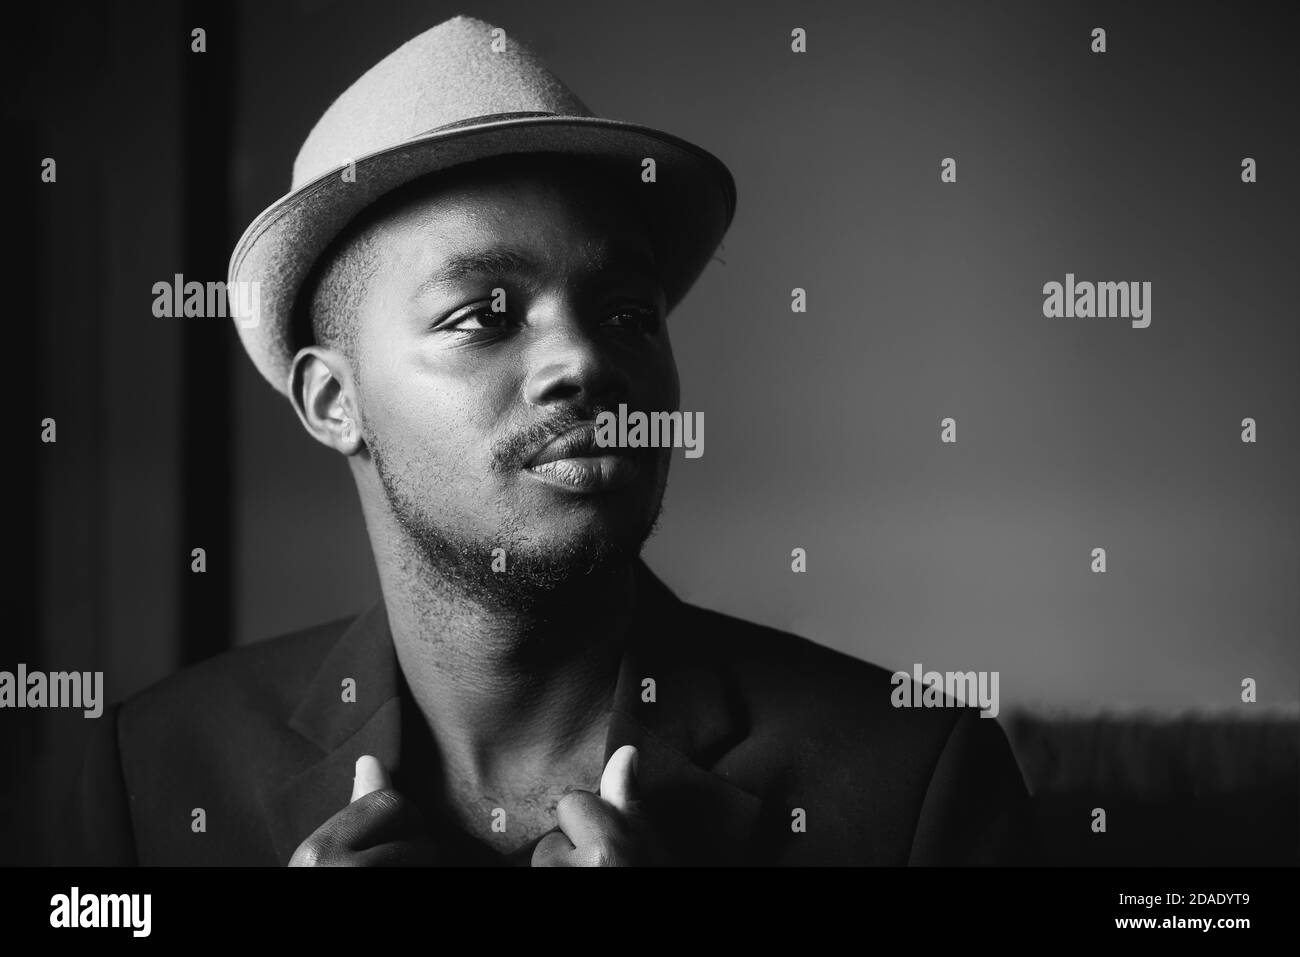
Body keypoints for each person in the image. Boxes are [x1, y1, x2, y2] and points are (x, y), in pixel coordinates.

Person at [69, 16, 1038, 867]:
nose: (584, 360)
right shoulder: (148, 776)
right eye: (482, 316)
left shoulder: (914, 780)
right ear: (331, 401)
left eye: (626, 314)